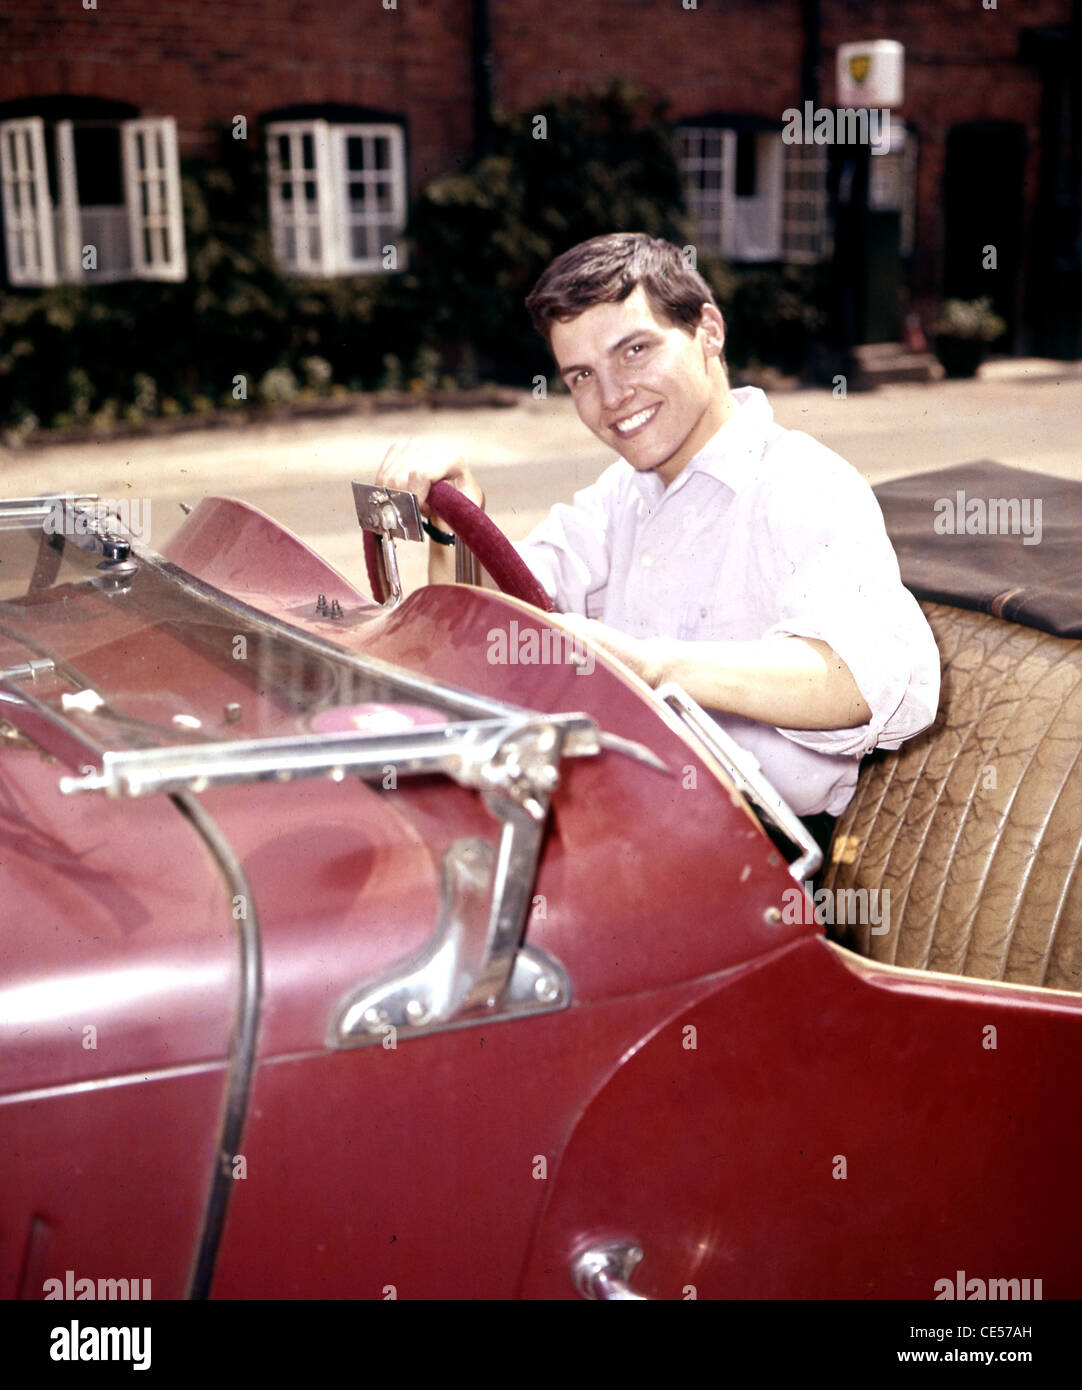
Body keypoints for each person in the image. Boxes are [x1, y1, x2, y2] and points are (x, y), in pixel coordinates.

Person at [376, 233, 940, 818]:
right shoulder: (623, 493)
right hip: (628, 817)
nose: (613, 395)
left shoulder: (800, 482)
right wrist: (455, 519)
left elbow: (861, 681)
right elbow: (489, 621)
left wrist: (651, 665)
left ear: (709, 331)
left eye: (635, 350)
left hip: (763, 852)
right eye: (582, 376)